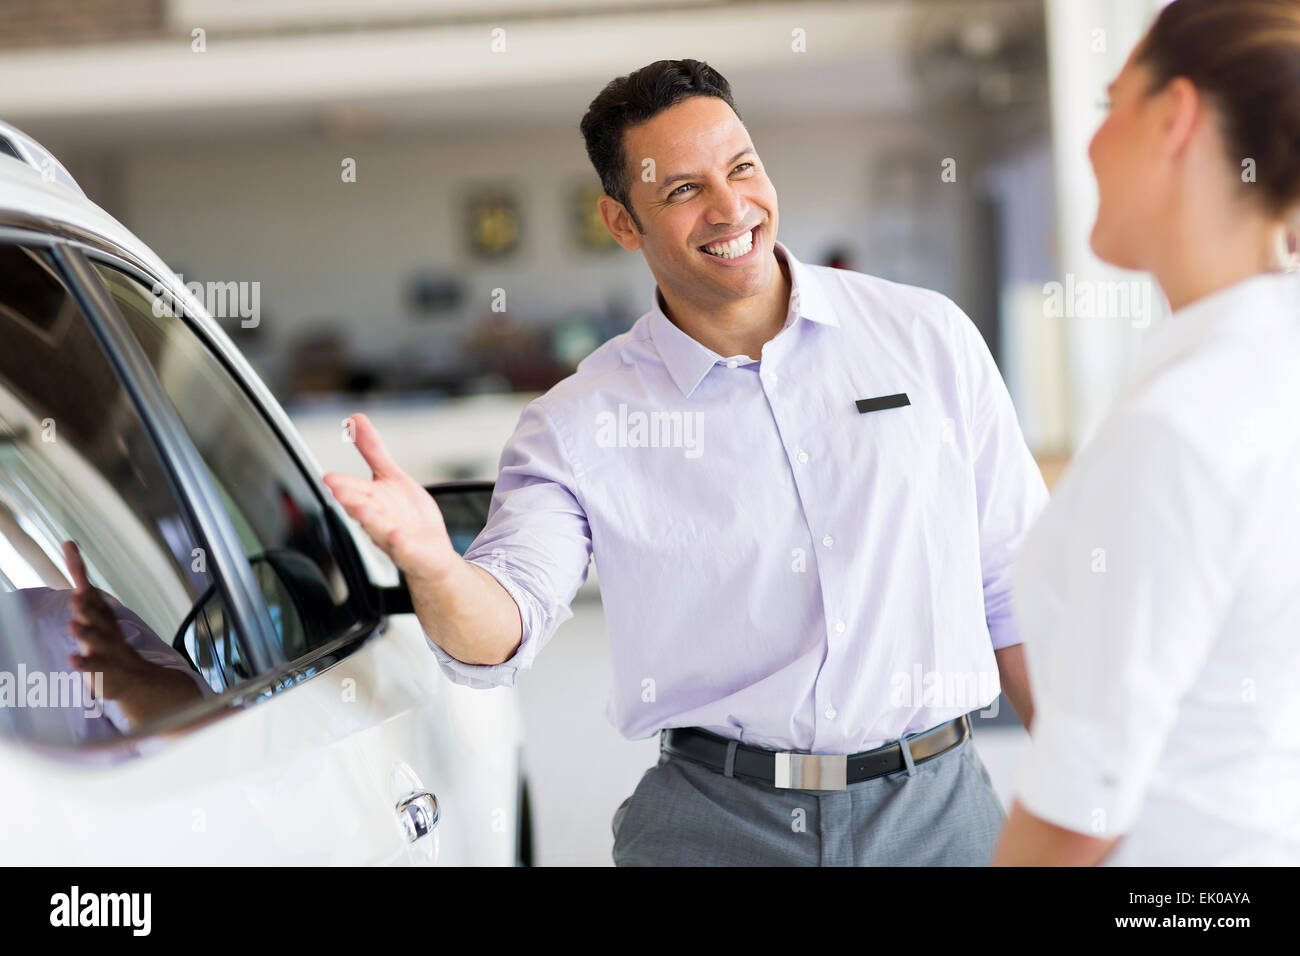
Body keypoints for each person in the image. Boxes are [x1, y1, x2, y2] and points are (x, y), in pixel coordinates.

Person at [325, 59, 1048, 866]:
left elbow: (1017, 590)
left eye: (741, 167)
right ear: (622, 222)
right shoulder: (579, 423)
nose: (730, 206)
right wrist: (434, 565)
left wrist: (1085, 803)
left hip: (940, 816)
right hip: (716, 827)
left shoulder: (927, 339)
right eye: (682, 190)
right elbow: (500, 631)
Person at [994, 0, 1300, 866]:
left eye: (1110, 104)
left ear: (1174, 117)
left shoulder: (1184, 425)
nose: (1092, 144)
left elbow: (1078, 806)